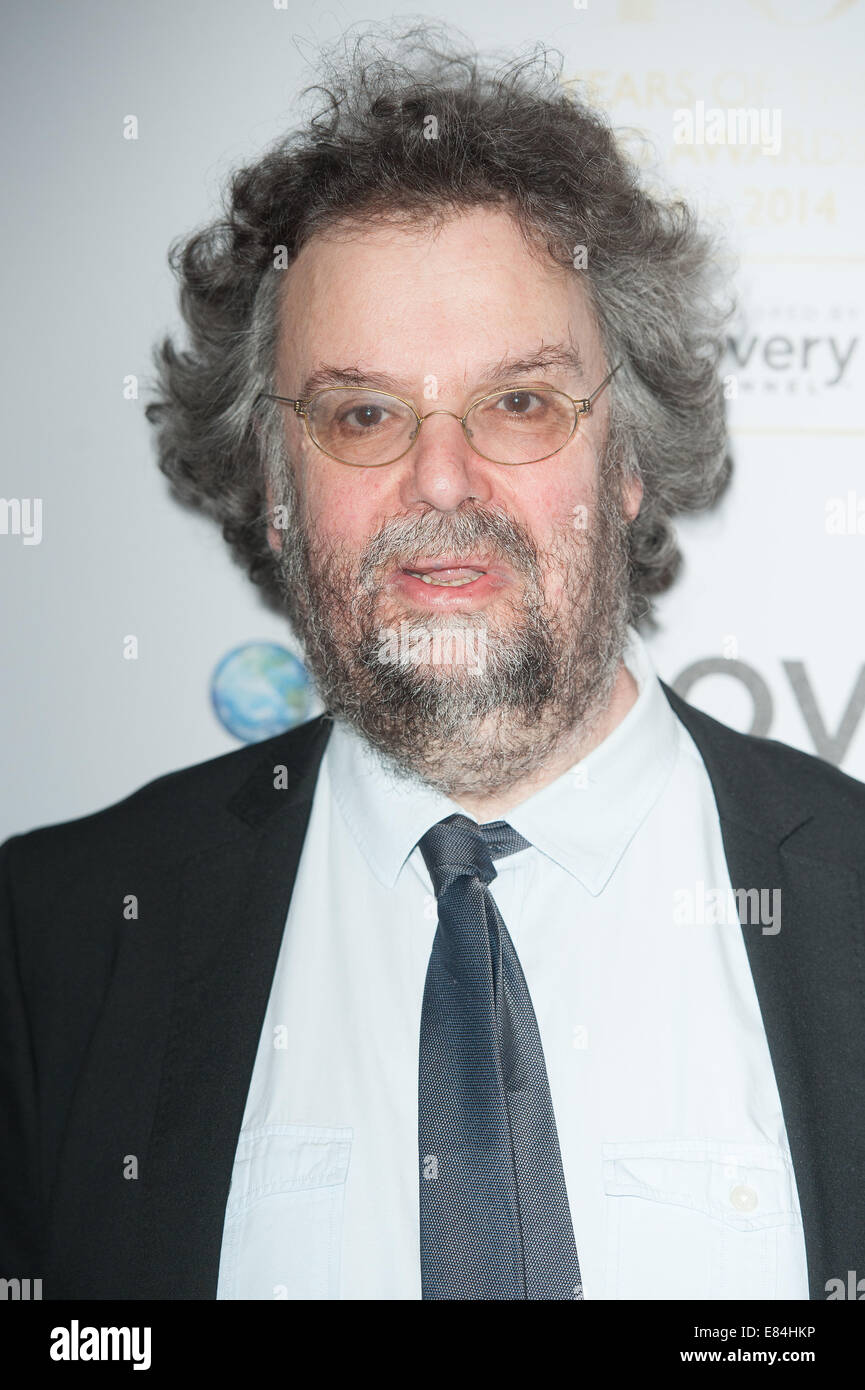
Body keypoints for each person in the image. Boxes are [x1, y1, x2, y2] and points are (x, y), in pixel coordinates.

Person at [2, 29, 863, 1301]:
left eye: (519, 401)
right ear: (275, 486)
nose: (441, 478)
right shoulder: (56, 941)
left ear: (627, 461)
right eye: (362, 414)